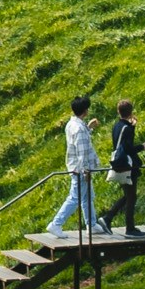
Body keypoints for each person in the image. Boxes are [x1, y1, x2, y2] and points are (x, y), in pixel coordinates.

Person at [47, 97, 99, 239]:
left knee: (87, 196)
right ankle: (56, 224)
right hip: (80, 170)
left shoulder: (73, 124)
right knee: (75, 198)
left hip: (76, 167)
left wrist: (89, 128)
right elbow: (82, 152)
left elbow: (79, 142)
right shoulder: (79, 129)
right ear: (85, 110)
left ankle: (92, 224)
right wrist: (86, 171)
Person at [103, 99, 144, 237]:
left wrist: (132, 126)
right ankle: (129, 228)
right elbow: (128, 148)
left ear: (118, 111)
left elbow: (122, 143)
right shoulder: (127, 128)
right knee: (131, 197)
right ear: (131, 112)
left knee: (129, 195)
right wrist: (143, 147)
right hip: (128, 165)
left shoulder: (117, 126)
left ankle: (108, 218)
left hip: (119, 163)